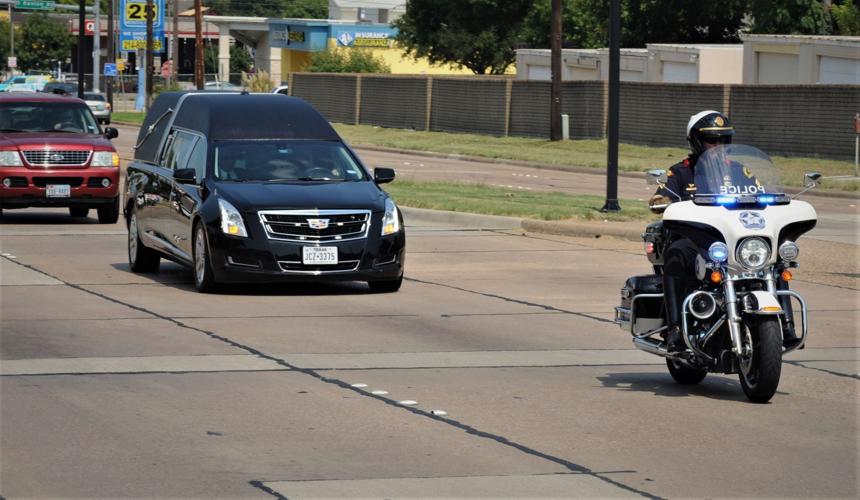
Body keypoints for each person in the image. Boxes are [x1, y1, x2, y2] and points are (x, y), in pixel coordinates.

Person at [649, 110, 799, 352]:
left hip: (735, 239)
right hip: (697, 239)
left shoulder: (741, 170)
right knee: (675, 253)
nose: (717, 145)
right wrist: (661, 199)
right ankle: (676, 329)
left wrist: (779, 202)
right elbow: (663, 195)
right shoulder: (681, 171)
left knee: (777, 260)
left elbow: (763, 195)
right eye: (711, 139)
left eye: (723, 139)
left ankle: (786, 323)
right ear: (696, 140)